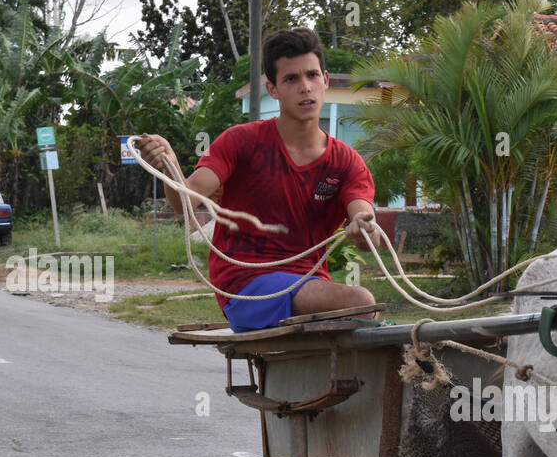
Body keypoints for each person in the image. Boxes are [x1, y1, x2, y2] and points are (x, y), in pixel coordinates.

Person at [136, 27, 379, 331]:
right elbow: (188, 203)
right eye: (291, 79)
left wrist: (364, 228)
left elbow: (365, 221)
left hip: (310, 284)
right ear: (272, 89)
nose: (305, 87)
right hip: (245, 286)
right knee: (361, 302)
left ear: (326, 80)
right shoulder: (239, 142)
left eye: (312, 75)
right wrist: (170, 166)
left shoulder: (346, 162)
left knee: (364, 321)